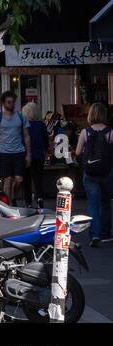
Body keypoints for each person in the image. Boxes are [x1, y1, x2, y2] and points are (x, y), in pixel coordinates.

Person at [74, 102, 113, 247]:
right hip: (107, 172)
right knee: (105, 203)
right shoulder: (110, 132)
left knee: (93, 204)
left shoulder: (85, 132)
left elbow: (77, 153)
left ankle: (94, 234)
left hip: (90, 173)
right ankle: (105, 233)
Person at [0, 93, 28, 204]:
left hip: (19, 151)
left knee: (19, 179)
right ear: (3, 103)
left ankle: (13, 193)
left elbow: (27, 136)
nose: (11, 104)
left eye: (13, 102)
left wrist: (29, 154)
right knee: (7, 179)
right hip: (4, 152)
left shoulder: (21, 116)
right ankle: (8, 204)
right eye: (9, 102)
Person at [23, 102, 48, 208]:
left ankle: (28, 202)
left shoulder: (24, 125)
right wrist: (45, 150)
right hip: (39, 155)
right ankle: (39, 198)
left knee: (27, 180)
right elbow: (45, 141)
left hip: (26, 155)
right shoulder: (41, 125)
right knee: (38, 179)